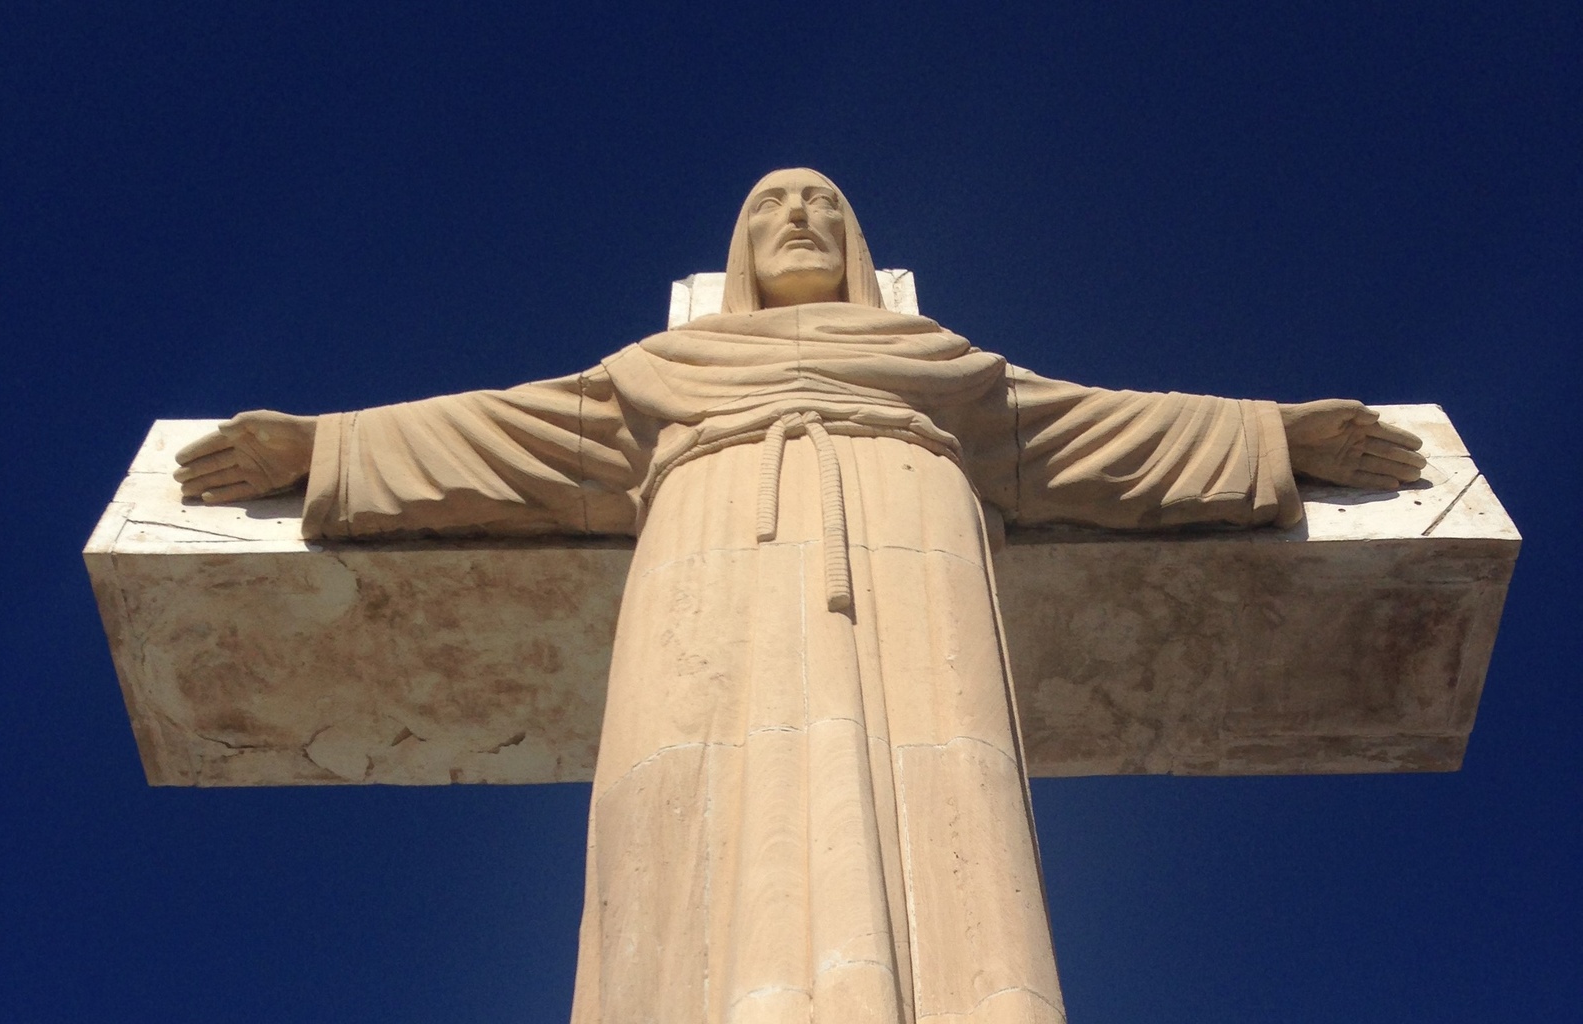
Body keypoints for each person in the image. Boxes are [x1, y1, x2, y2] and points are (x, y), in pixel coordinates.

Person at [176, 169, 1424, 1024]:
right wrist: (324, 451)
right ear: (734, 246)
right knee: (696, 843)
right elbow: (502, 436)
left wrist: (1272, 438)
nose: (799, 216)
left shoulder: (945, 374)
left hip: (917, 588)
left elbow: (1109, 434)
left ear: (862, 248)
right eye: (771, 204)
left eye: (824, 204)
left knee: (939, 836)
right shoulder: (660, 373)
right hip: (706, 576)